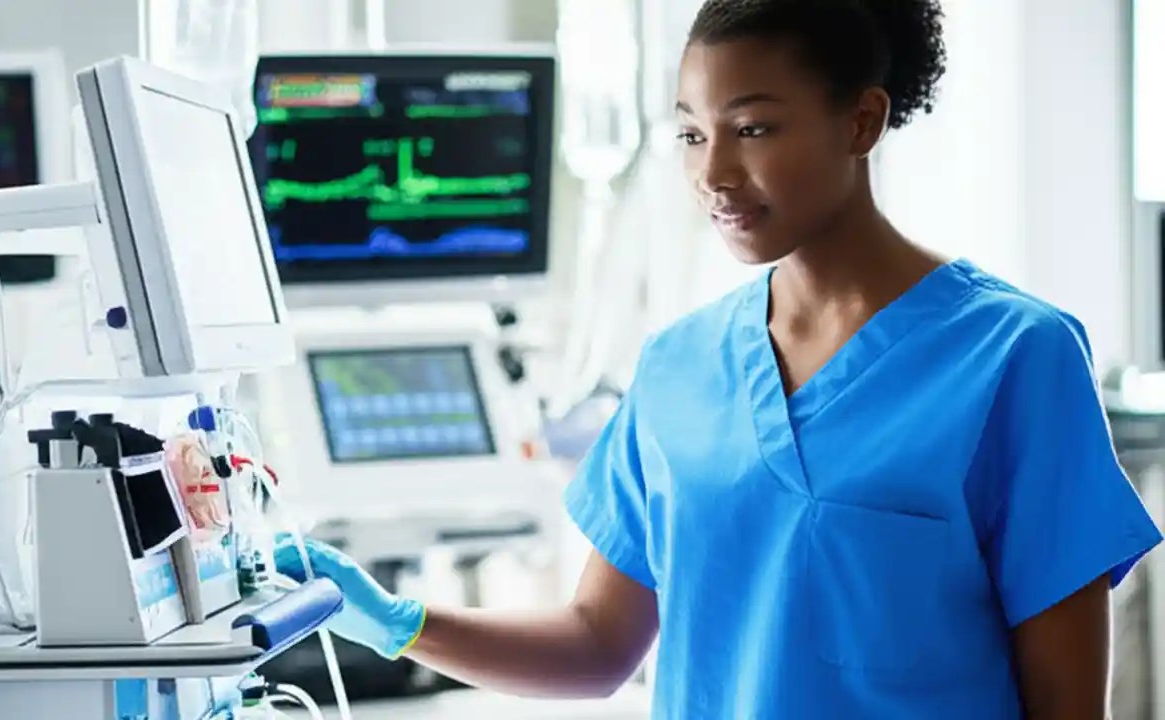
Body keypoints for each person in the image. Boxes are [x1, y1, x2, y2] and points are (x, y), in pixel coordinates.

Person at [285, 0, 1165, 716]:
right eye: (691, 135)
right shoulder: (678, 366)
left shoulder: (1015, 356)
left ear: (861, 120)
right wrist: (395, 623)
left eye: (752, 130)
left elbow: (1066, 708)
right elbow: (596, 647)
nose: (713, 174)